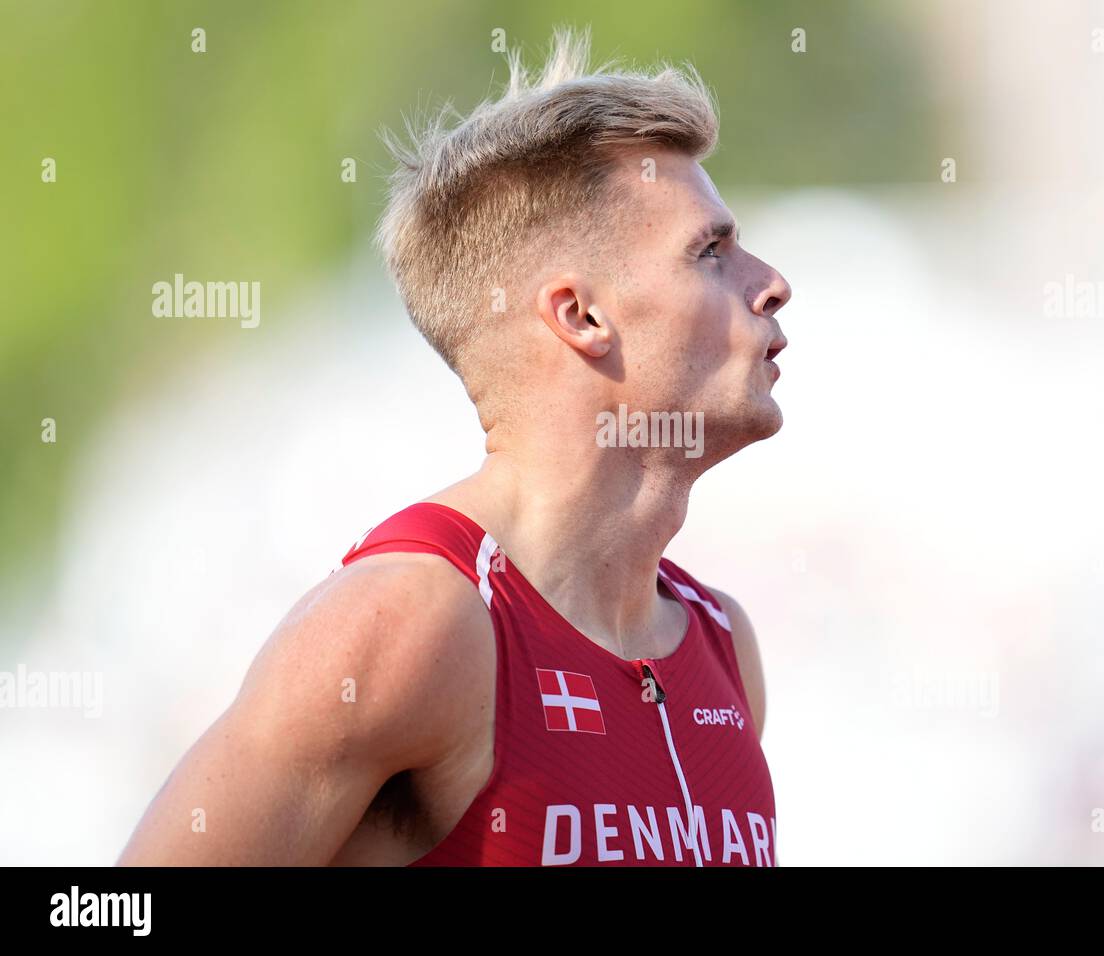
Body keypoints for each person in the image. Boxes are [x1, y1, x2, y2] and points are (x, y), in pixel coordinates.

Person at [117, 25, 791, 867]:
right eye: (711, 251)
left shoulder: (721, 643)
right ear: (580, 317)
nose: (772, 282)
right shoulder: (407, 626)